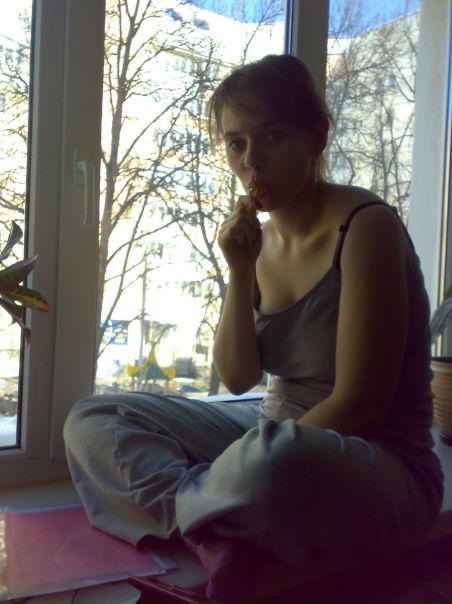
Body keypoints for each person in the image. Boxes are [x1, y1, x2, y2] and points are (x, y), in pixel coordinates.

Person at [64, 54, 443, 603]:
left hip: (376, 463)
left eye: (272, 136)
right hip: (270, 435)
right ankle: (215, 534)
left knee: (274, 462)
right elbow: (239, 377)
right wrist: (239, 271)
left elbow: (362, 404)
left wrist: (252, 461)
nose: (252, 161)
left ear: (316, 137)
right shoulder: (259, 243)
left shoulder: (366, 228)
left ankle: (207, 512)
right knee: (93, 419)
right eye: (236, 143)